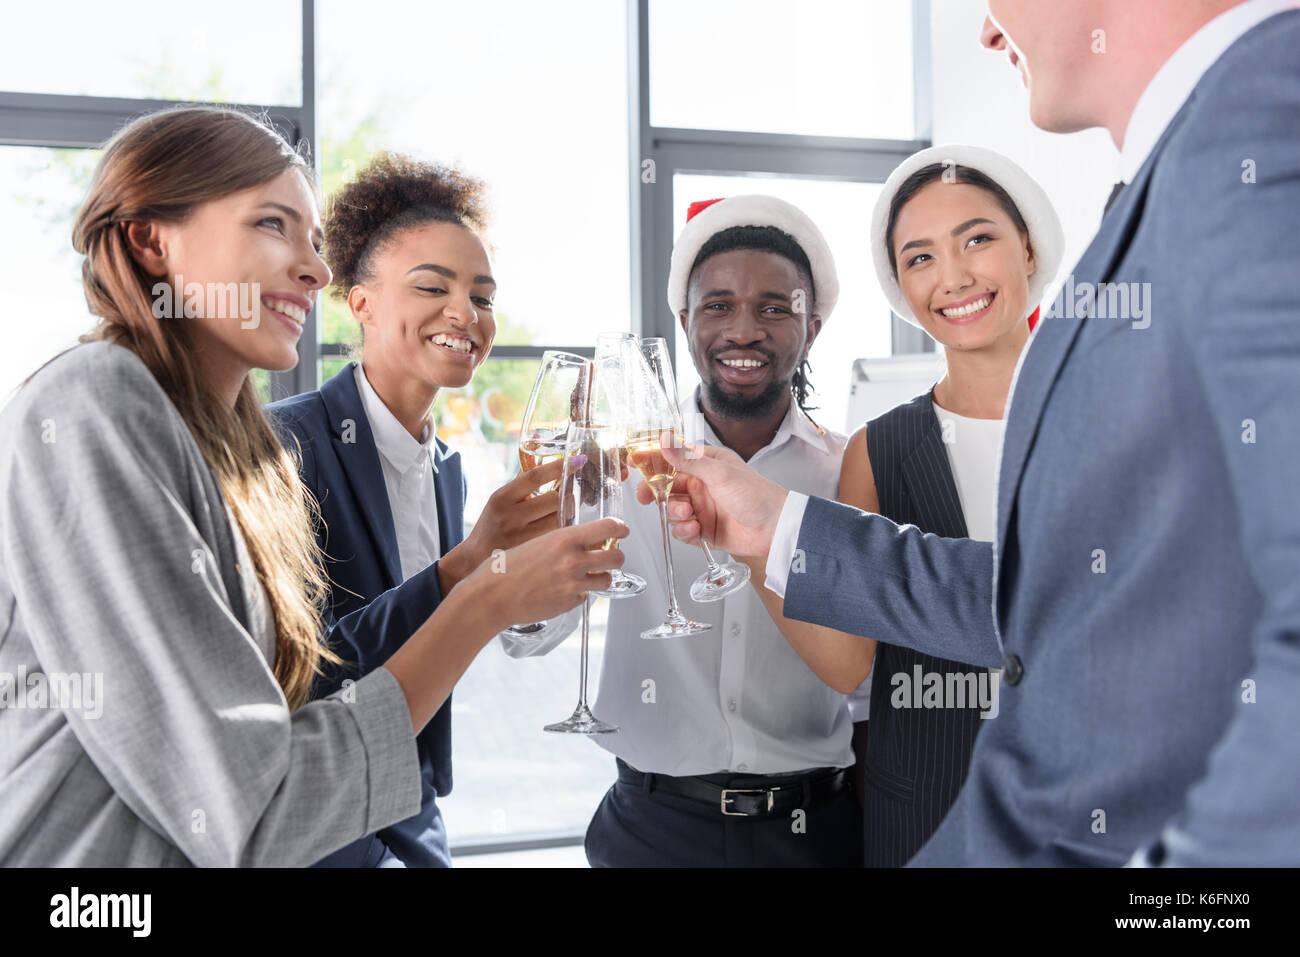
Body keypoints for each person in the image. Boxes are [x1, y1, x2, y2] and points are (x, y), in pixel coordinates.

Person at [646, 0, 1300, 866]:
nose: (990, 29)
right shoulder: (1187, 165)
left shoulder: (1261, 124)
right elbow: (1070, 599)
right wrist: (768, 526)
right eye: (917, 256)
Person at [0, 105, 625, 867]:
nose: (318, 269)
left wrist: (472, 571)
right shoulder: (96, 401)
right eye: (271, 225)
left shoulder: (234, 444)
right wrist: (482, 596)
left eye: (317, 242)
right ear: (150, 239)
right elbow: (254, 811)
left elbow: (285, 704)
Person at [503, 196, 862, 867]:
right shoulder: (617, 463)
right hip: (650, 829)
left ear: (811, 327)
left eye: (775, 307)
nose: (744, 329)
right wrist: (530, 544)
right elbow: (526, 640)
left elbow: (868, 688)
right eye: (718, 305)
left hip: (815, 833)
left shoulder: (848, 475)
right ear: (685, 322)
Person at [746, 145, 1063, 866]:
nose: (952, 277)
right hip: (925, 810)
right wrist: (745, 536)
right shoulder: (879, 450)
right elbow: (849, 665)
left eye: (977, 238)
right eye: (919, 258)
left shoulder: (1117, 416)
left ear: (1029, 247)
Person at [265, 153, 565, 867]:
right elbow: (299, 673)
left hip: (412, 812)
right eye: (433, 286)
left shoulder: (448, 470)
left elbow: (440, 645)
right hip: (322, 825)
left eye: (483, 297)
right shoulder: (284, 445)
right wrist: (466, 573)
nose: (465, 313)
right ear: (359, 302)